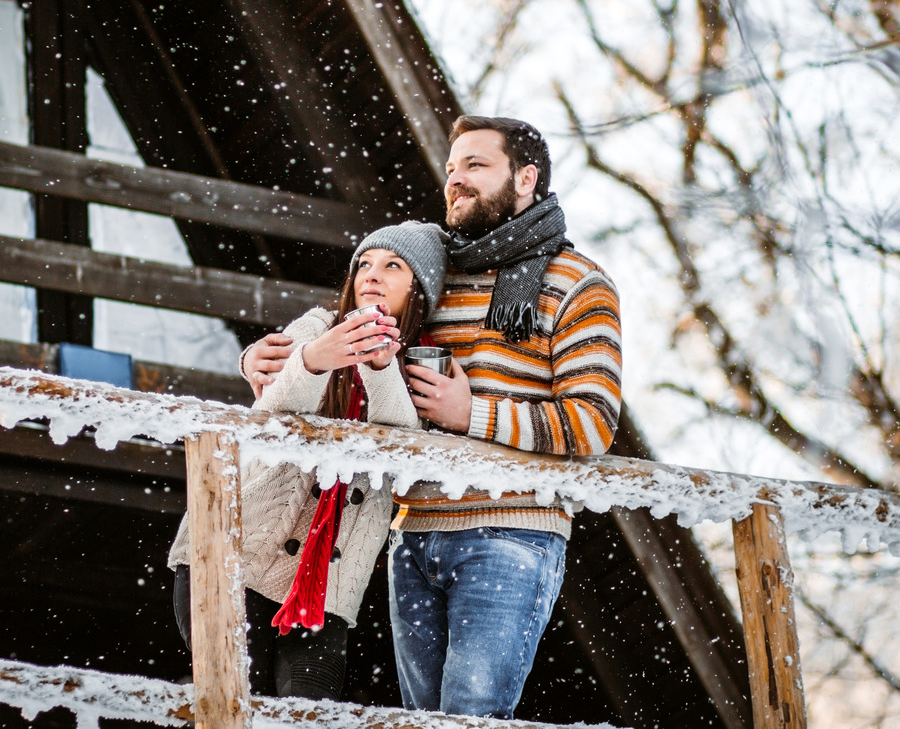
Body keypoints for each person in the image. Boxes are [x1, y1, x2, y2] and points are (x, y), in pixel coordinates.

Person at [241, 116, 621, 719]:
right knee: (420, 721)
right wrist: (266, 356)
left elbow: (593, 424)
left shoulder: (578, 284)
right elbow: (350, 315)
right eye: (451, 169)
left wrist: (472, 413)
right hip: (412, 531)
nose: (456, 181)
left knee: (469, 718)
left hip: (511, 533)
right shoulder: (435, 271)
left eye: (475, 166)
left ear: (527, 178)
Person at [168, 221, 449, 701]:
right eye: (364, 263)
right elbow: (271, 407)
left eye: (392, 266)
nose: (371, 275)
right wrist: (315, 359)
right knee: (233, 703)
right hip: (232, 554)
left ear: (418, 288)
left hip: (328, 589)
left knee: (309, 712)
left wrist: (379, 367)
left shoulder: (423, 363)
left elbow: (401, 450)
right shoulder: (317, 326)